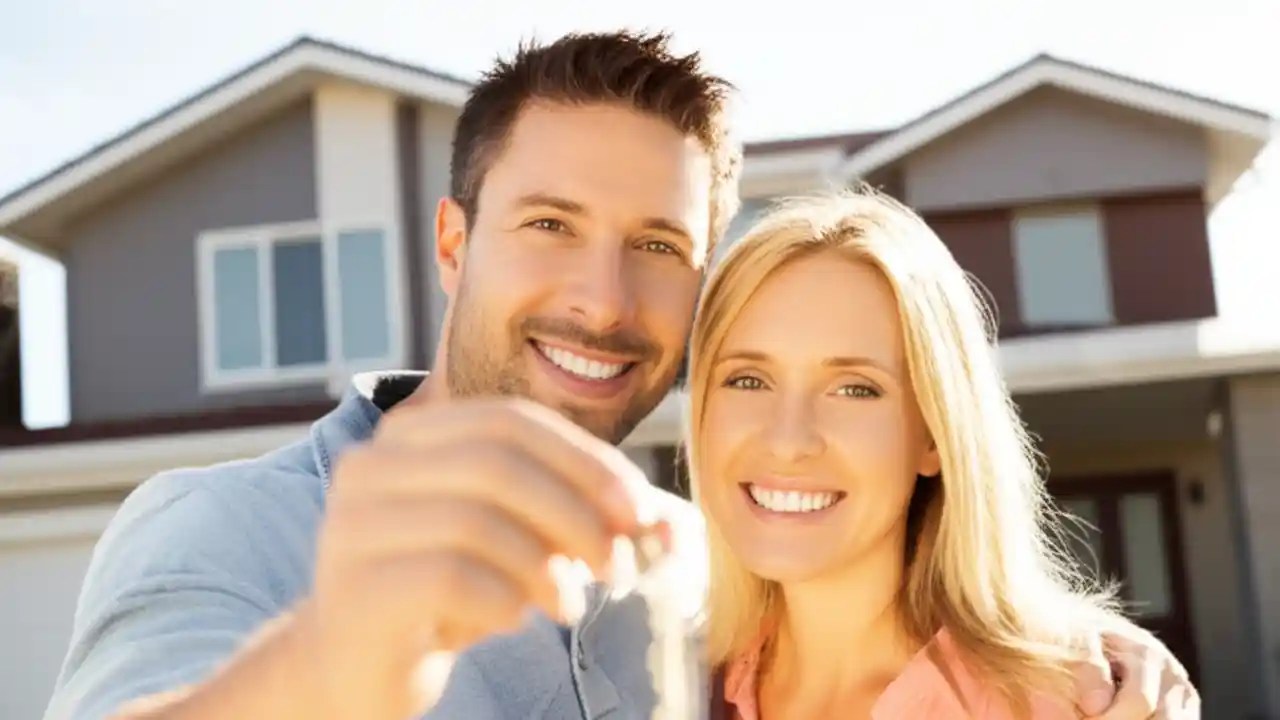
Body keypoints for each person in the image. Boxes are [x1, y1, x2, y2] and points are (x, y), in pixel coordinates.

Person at [44, 30, 1193, 720]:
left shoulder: (703, 575)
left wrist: (1071, 653)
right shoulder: (230, 529)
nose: (602, 298)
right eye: (548, 223)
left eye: (656, 245)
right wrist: (335, 660)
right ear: (453, 242)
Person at [686, 189, 1199, 719]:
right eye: (747, 379)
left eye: (855, 388)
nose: (787, 440)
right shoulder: (663, 686)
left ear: (934, 434)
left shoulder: (1066, 704)